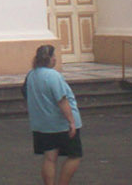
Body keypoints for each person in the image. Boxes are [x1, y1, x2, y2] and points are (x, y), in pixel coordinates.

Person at [23, 44, 82, 185]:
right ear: (50, 58)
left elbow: (25, 92)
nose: (55, 59)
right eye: (54, 56)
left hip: (42, 124)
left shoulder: (32, 74)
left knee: (49, 157)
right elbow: (61, 99)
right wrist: (71, 121)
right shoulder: (53, 76)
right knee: (75, 156)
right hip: (60, 124)